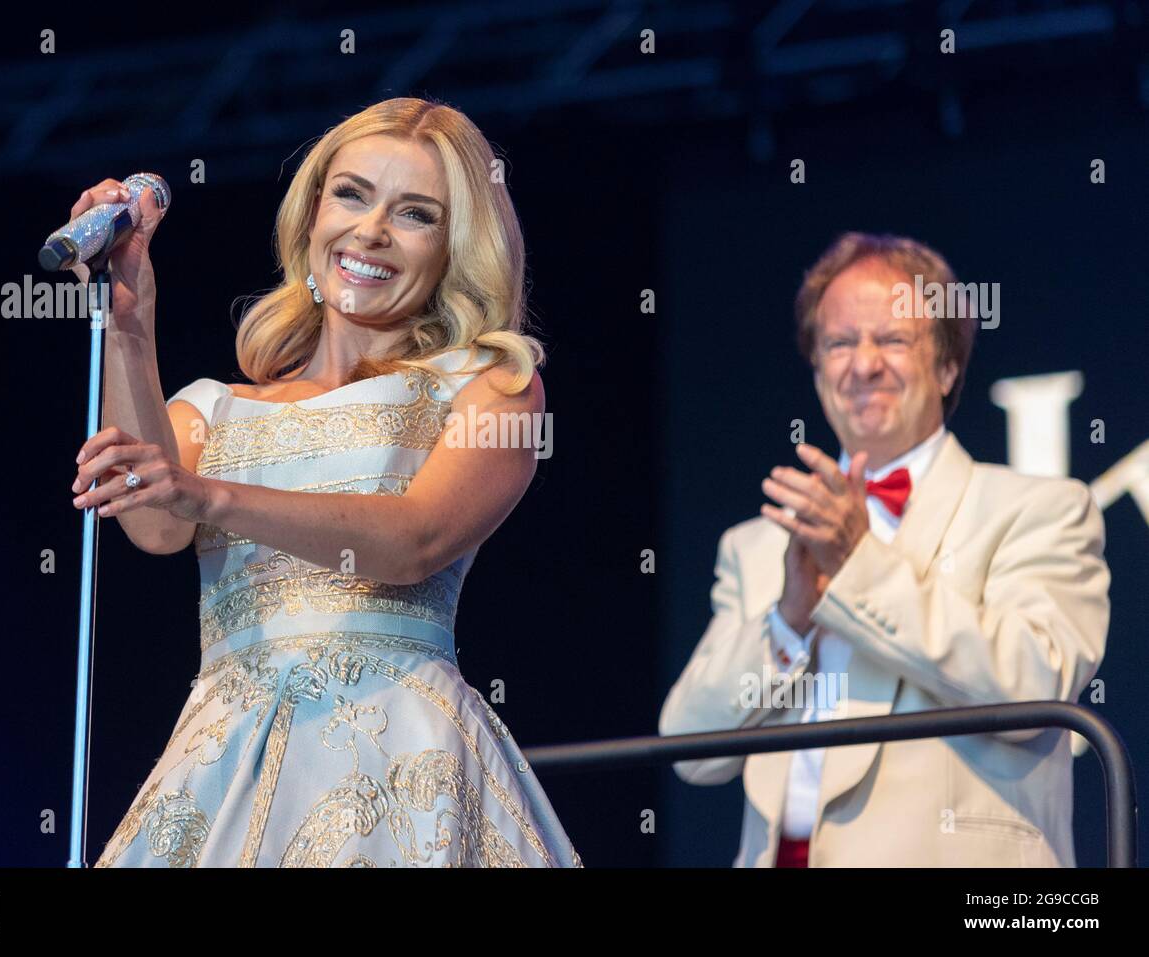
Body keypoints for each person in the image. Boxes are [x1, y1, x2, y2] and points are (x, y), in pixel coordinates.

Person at [68, 97, 581, 867]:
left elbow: (415, 538)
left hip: (396, 762)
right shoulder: (214, 407)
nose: (371, 230)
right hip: (222, 772)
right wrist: (127, 316)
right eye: (351, 194)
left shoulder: (489, 385)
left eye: (416, 213)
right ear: (311, 217)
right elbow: (155, 523)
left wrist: (211, 494)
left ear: (454, 247)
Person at [659, 232, 1110, 867]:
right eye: (840, 344)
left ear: (948, 365)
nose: (864, 365)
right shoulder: (758, 542)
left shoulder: (1040, 510)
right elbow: (688, 750)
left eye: (893, 340)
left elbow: (1032, 691)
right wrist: (787, 623)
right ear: (817, 370)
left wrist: (858, 567)